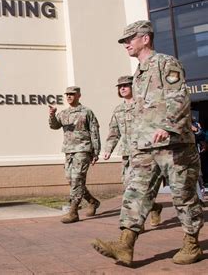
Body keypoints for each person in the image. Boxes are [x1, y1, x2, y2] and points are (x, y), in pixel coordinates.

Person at [92, 20, 204, 266]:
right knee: (136, 193)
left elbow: (179, 97)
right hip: (145, 147)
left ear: (145, 38)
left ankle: (191, 244)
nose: (126, 45)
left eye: (130, 39)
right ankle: (125, 244)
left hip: (174, 145)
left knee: (183, 195)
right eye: (124, 41)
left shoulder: (166, 63)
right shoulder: (139, 75)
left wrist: (168, 126)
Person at [103, 75, 163, 229]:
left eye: (126, 85)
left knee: (141, 188)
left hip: (144, 152)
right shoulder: (118, 110)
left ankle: (136, 223)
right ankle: (154, 207)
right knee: (130, 187)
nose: (122, 88)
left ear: (133, 87)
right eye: (120, 86)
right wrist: (108, 149)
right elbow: (113, 132)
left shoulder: (142, 105)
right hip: (128, 154)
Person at [49, 86, 101, 223]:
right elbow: (54, 126)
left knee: (77, 178)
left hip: (83, 149)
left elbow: (94, 131)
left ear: (79, 95)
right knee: (71, 179)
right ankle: (92, 201)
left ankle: (73, 211)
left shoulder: (86, 112)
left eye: (72, 94)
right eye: (67, 95)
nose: (69, 97)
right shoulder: (64, 113)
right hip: (68, 150)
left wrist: (96, 151)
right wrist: (52, 114)